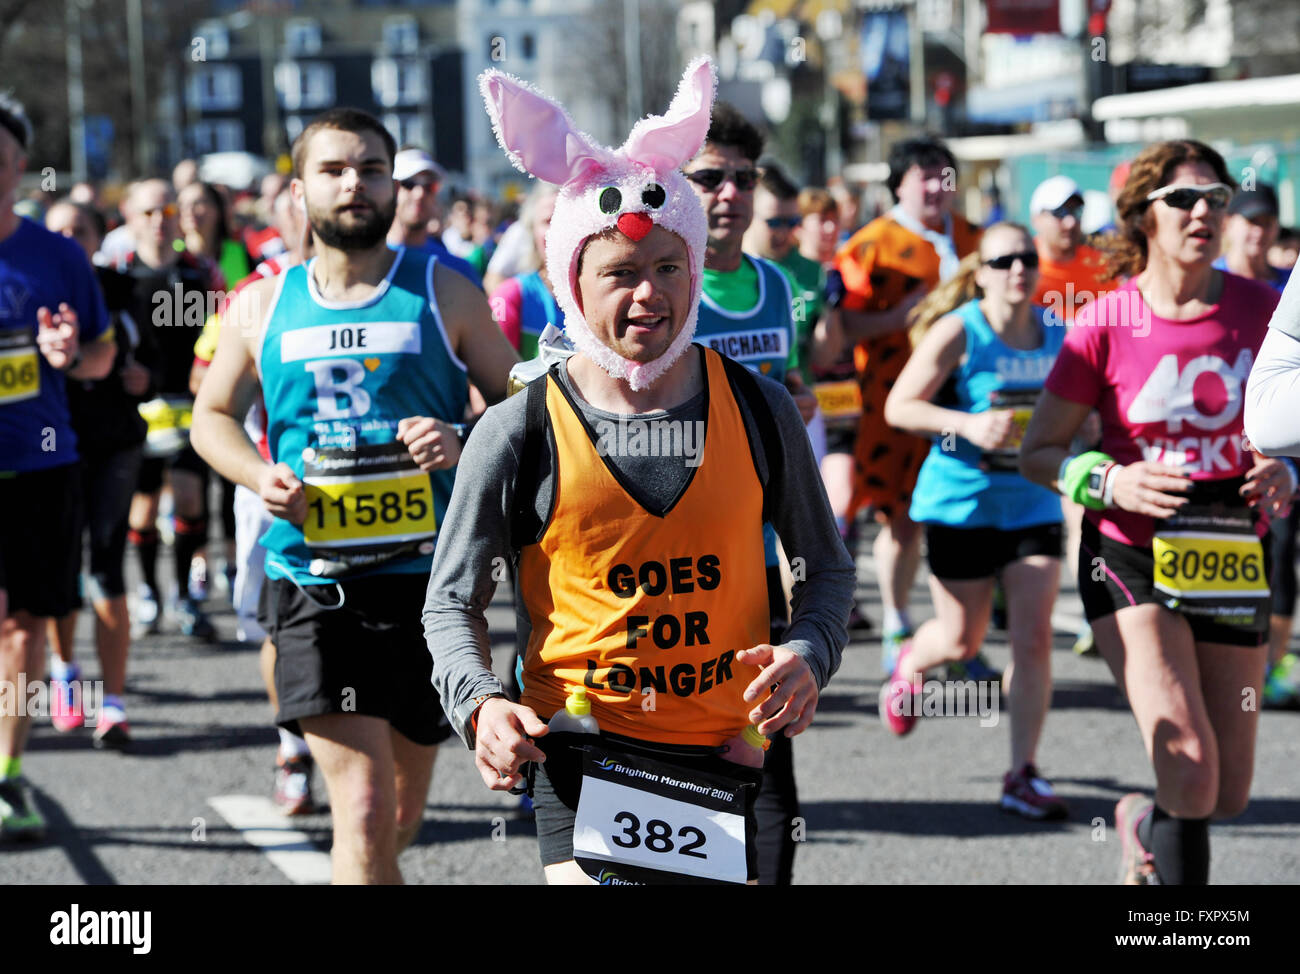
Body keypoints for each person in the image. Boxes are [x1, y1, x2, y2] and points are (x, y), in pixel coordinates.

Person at [424, 57, 852, 886]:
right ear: (572, 287)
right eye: (618, 273)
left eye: (667, 268)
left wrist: (811, 651)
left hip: (735, 747)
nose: (647, 295)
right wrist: (479, 704)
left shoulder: (761, 409)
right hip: (582, 757)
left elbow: (825, 568)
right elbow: (451, 599)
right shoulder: (518, 429)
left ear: (695, 273)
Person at [191, 107, 517, 883]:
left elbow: (526, 410)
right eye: (334, 170)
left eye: (372, 168)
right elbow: (210, 416)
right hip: (315, 584)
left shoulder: (444, 290)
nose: (355, 184)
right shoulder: (261, 305)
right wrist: (258, 474)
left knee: (397, 821)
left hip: (432, 589)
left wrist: (464, 438)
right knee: (365, 813)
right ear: (299, 191)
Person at [1021, 139, 1289, 884]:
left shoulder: (1266, 311)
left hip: (1234, 544)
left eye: (1216, 198)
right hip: (1130, 548)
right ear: (1143, 215)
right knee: (1192, 764)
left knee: (1223, 794)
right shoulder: (1105, 321)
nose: (1203, 211)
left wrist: (1286, 465)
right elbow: (1038, 452)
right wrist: (1108, 482)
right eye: (1183, 200)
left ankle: (1143, 821)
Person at [881, 223, 1068, 818]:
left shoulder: (1058, 334)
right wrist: (964, 425)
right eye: (1004, 260)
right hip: (962, 505)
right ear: (981, 272)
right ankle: (912, 660)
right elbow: (899, 407)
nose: (1019, 268)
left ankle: (1022, 772)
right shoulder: (961, 330)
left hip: (1033, 504)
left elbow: (1082, 411)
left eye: (1028, 258)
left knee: (1033, 639)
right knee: (962, 639)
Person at [684, 105, 822, 886]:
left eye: (743, 177)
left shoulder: (774, 285)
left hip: (755, 547)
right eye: (710, 177)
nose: (731, 192)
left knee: (764, 744)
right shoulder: (660, 279)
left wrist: (793, 399)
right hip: (670, 549)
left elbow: (786, 380)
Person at [0, 96, 116, 838]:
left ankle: (7, 777)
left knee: (21, 627)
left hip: (41, 469)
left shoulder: (58, 255)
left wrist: (70, 357)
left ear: (17, 167)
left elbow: (102, 356)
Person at [191, 185, 319, 813]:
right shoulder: (255, 292)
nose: (306, 218)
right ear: (279, 217)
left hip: (373, 490)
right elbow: (204, 381)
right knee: (276, 620)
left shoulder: (386, 278)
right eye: (294, 204)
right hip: (271, 480)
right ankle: (291, 745)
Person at [834, 136, 982, 676]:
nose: (937, 186)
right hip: (893, 400)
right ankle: (898, 621)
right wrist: (902, 317)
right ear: (899, 183)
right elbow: (843, 324)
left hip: (966, 400)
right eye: (924, 175)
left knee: (961, 516)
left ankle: (959, 633)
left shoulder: (975, 238)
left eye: (945, 174)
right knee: (900, 516)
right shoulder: (870, 245)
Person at [43, 199, 151, 750]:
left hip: (114, 439)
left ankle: (113, 703)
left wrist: (144, 377)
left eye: (78, 230)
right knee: (61, 566)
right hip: (51, 445)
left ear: (96, 235)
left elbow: (161, 354)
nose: (68, 238)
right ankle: (64, 670)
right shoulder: (31, 284)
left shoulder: (123, 287)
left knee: (107, 561)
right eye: (57, 230)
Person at [116, 179, 222, 640]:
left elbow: (226, 331)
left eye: (166, 212)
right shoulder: (115, 274)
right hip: (135, 412)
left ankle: (185, 597)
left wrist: (211, 372)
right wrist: (123, 370)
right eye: (147, 213)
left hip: (189, 407)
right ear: (129, 217)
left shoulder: (202, 273)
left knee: (191, 500)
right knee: (141, 512)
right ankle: (148, 597)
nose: (158, 222)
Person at [1215, 184, 1300, 706]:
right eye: (1247, 219)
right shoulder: (1207, 287)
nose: (1257, 229)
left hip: (1279, 455)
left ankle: (1269, 664)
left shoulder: (1283, 289)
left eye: (1266, 220)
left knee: (1283, 548)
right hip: (1217, 452)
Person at [1029, 174, 1115, 656]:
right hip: (1020, 409)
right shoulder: (1022, 268)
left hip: (1082, 409)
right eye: (1059, 212)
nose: (1069, 221)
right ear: (1036, 219)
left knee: (1079, 506)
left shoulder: (1102, 267)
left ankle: (1090, 611)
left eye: (1076, 210)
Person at [385, 147, 481, 288]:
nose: (419, 193)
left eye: (428, 185)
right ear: (391, 188)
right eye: (408, 183)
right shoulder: (366, 264)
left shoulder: (458, 270)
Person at [487, 184, 563, 359]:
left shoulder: (605, 292)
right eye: (547, 221)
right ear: (532, 230)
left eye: (564, 220)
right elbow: (492, 379)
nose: (557, 230)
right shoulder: (511, 295)